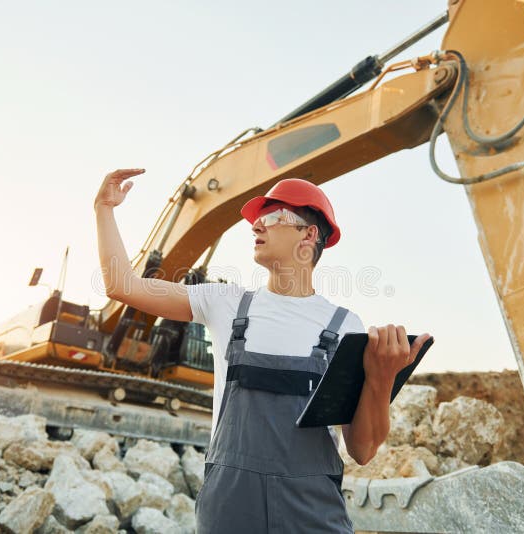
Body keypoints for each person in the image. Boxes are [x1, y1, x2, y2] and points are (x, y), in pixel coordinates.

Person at [95, 168, 430, 533]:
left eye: (271, 218)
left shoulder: (345, 326)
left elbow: (363, 450)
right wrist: (104, 210)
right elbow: (121, 284)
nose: (256, 227)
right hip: (230, 509)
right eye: (257, 221)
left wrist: (381, 378)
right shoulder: (225, 303)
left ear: (309, 234)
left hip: (312, 512)